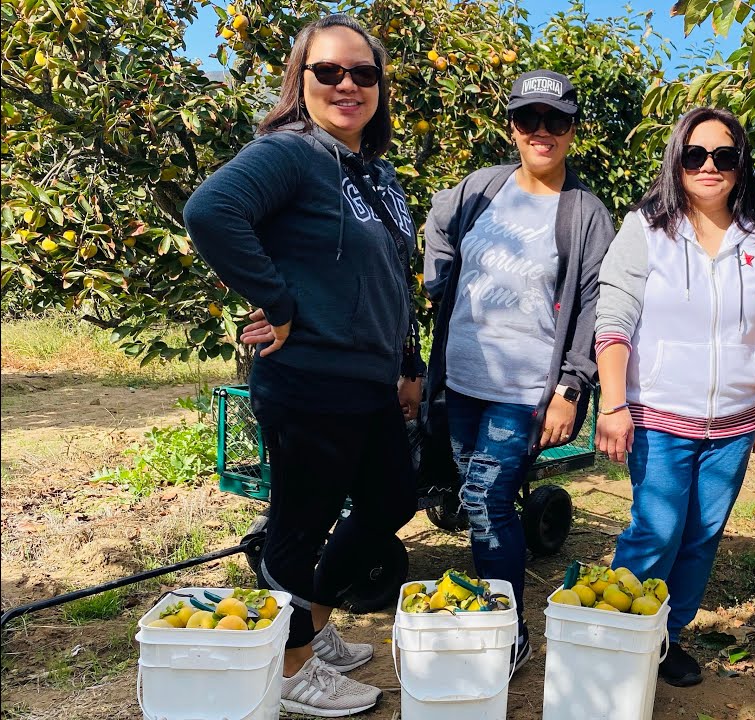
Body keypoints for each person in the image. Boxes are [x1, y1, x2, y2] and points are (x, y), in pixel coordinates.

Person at [185, 14, 420, 717]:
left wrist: (407, 360)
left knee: (391, 502)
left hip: (368, 380)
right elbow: (212, 211)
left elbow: (392, 277)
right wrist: (278, 301)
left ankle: (310, 625)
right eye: (329, 71)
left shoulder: (375, 173)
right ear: (301, 79)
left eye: (363, 73)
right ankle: (289, 670)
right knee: (300, 524)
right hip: (311, 377)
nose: (348, 85)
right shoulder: (291, 152)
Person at [420, 69, 615, 672]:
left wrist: (572, 388)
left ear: (572, 130)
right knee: (476, 497)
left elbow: (593, 307)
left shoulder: (585, 213)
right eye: (529, 119)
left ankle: (508, 630)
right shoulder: (482, 188)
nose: (541, 131)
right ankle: (490, 615)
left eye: (555, 121)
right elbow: (437, 225)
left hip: (526, 389)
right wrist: (439, 284)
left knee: (485, 498)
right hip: (461, 380)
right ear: (512, 127)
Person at [594, 107, 755, 687]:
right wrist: (612, 404)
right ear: (676, 161)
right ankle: (618, 637)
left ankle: (666, 638)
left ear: (740, 165)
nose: (709, 166)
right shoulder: (646, 231)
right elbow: (614, 320)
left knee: (702, 536)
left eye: (724, 156)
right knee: (656, 530)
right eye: (695, 155)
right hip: (659, 416)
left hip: (734, 423)